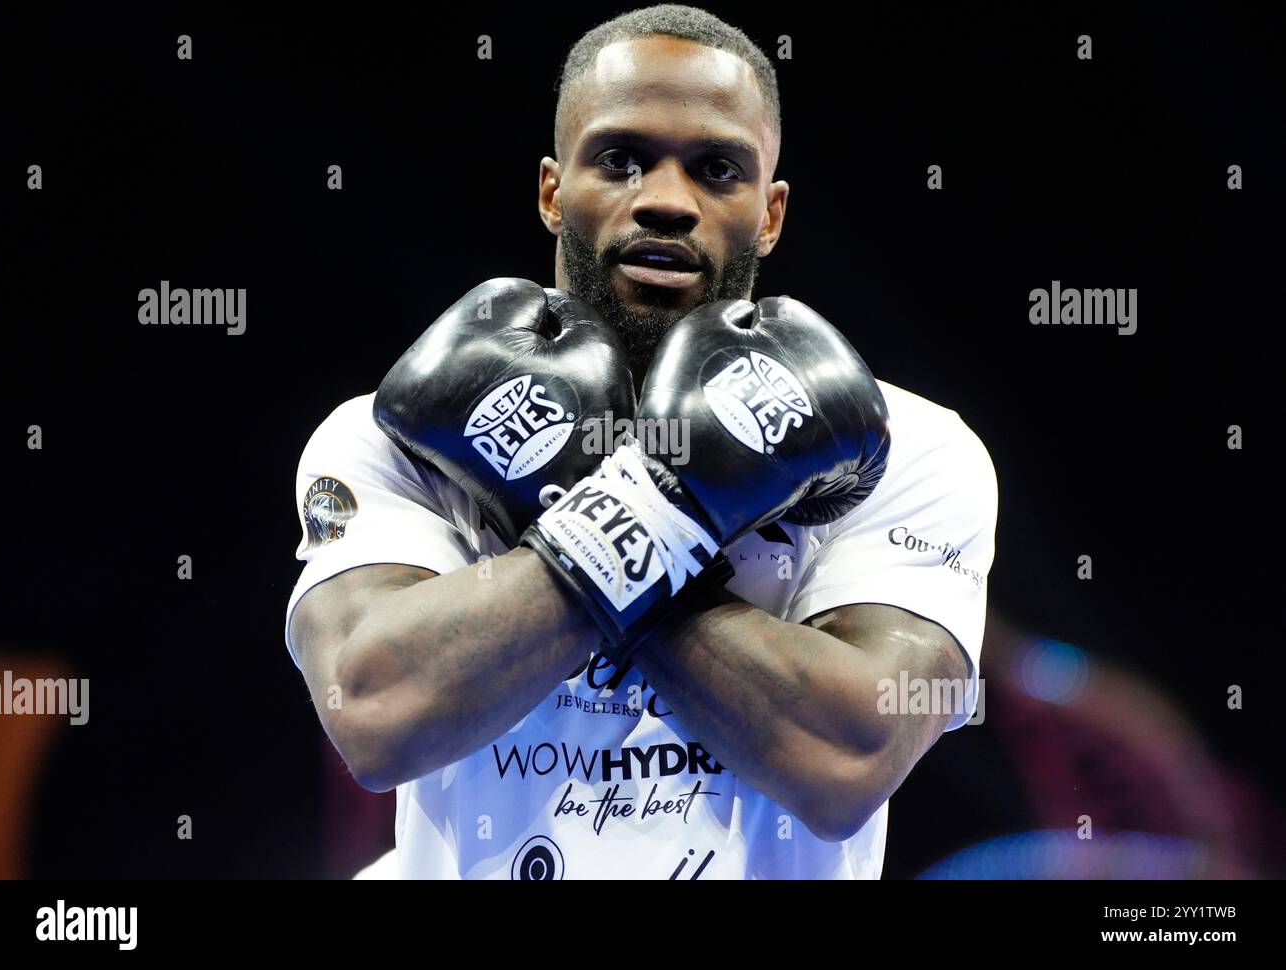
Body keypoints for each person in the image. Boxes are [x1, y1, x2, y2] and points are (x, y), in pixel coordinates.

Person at [284, 4, 997, 879]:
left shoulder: (901, 446)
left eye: (717, 169)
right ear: (553, 191)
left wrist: (604, 493)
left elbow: (846, 761)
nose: (665, 200)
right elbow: (377, 712)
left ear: (770, 214)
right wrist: (664, 498)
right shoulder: (398, 434)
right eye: (621, 159)